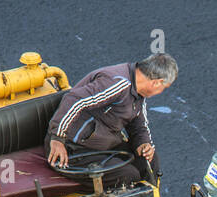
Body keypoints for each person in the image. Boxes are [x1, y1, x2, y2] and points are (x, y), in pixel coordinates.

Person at [45, 53, 177, 187]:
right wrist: (57, 138)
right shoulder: (117, 83)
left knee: (150, 161)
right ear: (157, 82)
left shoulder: (138, 92)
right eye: (163, 88)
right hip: (73, 147)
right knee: (128, 176)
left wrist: (143, 143)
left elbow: (138, 122)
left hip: (102, 143)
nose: (161, 91)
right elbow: (74, 100)